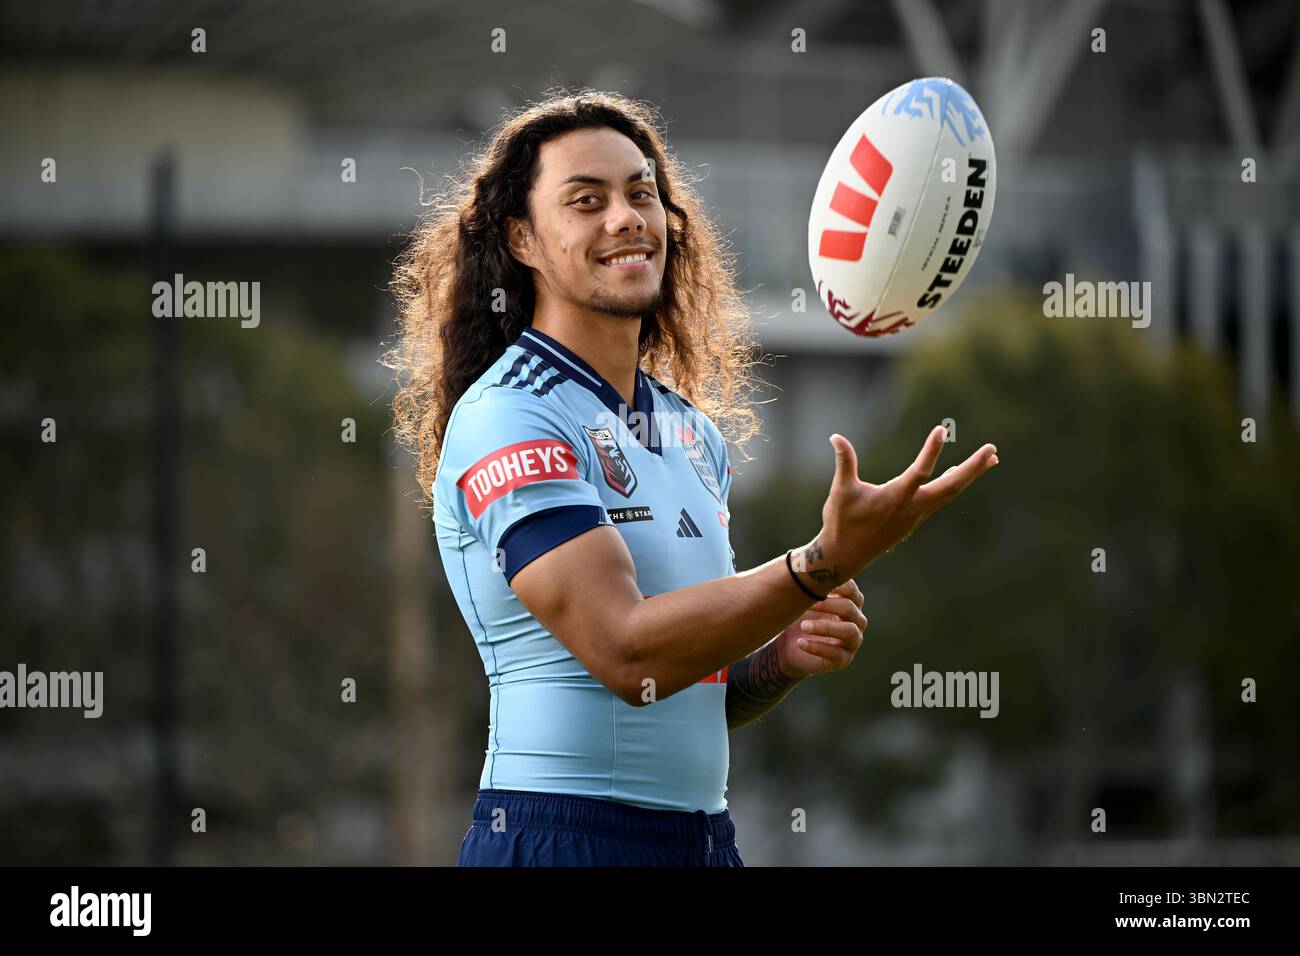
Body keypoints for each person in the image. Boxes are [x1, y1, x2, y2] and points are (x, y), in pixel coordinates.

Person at [387, 90, 998, 867]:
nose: (625, 218)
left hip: (703, 840)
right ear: (522, 239)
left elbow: (689, 685)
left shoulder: (690, 433)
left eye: (642, 193)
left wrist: (778, 660)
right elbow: (627, 653)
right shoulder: (509, 414)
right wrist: (818, 565)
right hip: (559, 837)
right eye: (586, 200)